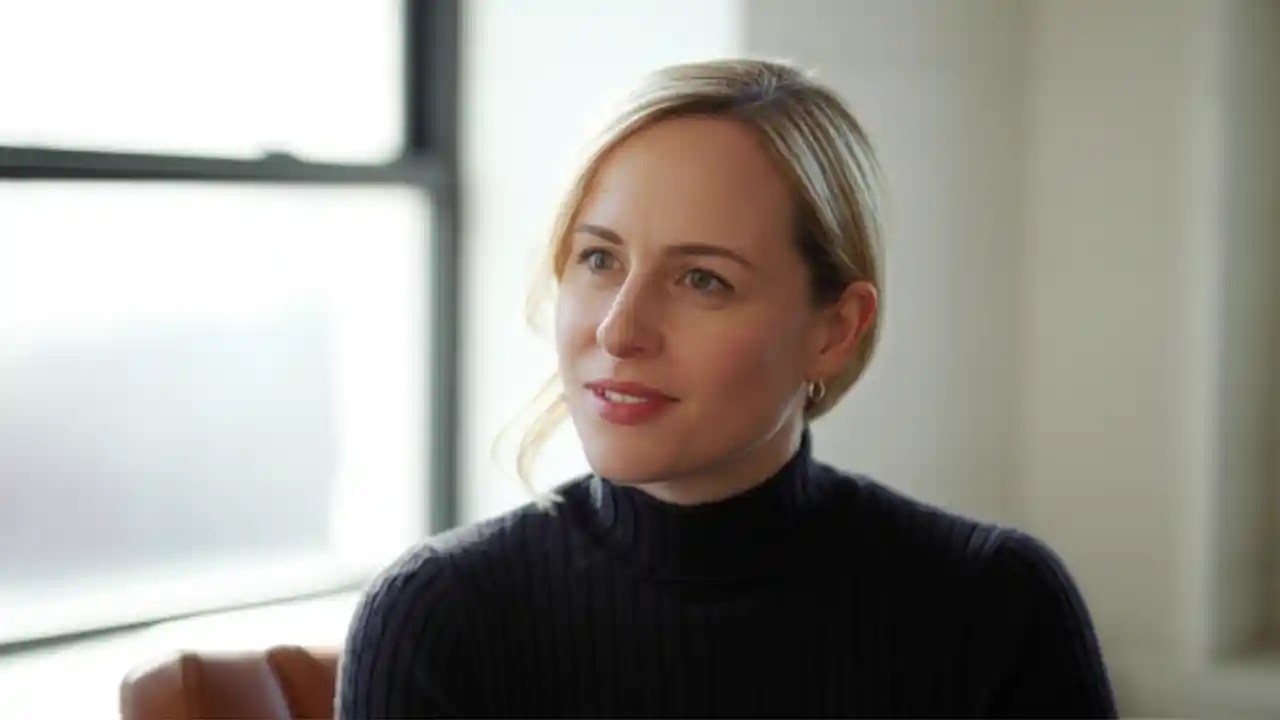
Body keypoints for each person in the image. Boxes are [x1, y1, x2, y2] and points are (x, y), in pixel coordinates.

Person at [337, 58, 1117, 718]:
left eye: (702, 279)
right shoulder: (434, 618)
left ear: (835, 329)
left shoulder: (994, 606)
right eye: (599, 259)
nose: (618, 330)